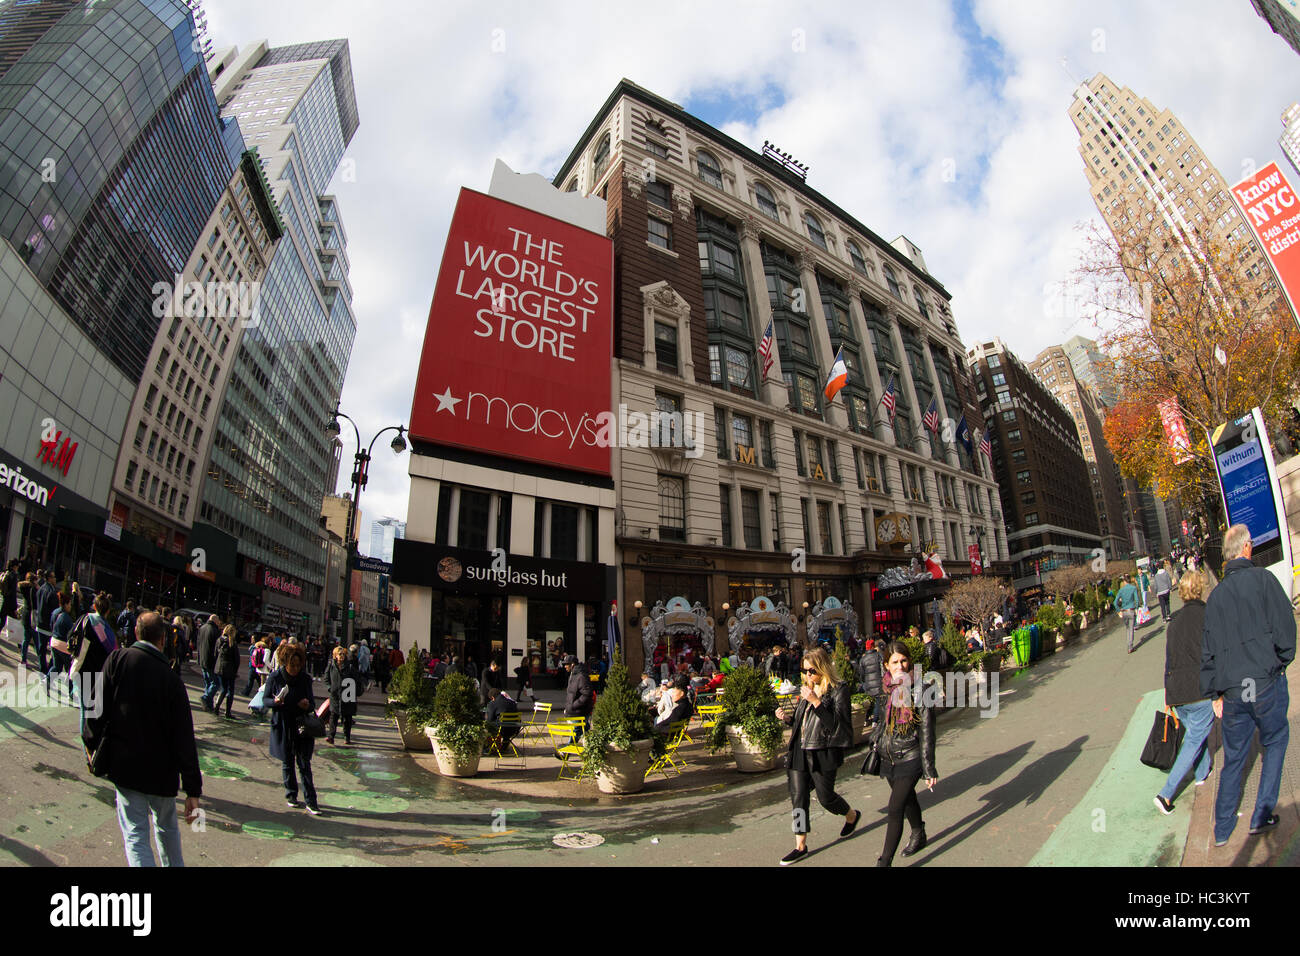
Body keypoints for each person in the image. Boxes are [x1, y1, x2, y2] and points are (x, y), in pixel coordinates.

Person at [1201, 524, 1295, 845]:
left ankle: (1222, 829)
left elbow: (1207, 651)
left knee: (1235, 757)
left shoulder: (1215, 599)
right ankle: (1261, 814)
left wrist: (1214, 693)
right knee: (1276, 741)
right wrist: (1281, 661)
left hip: (1234, 691)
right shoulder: (1264, 581)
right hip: (1266, 682)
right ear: (1246, 549)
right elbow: (1286, 630)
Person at [84, 612, 202, 866]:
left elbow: (94, 706)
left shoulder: (118, 659)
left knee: (136, 835)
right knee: (167, 829)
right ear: (162, 640)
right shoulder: (172, 680)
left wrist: (91, 742)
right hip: (162, 773)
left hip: (125, 766)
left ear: (136, 633)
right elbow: (184, 737)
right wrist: (193, 789)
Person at [777, 647, 857, 865]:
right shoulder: (807, 688)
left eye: (811, 671)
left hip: (823, 752)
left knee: (826, 798)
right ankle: (800, 845)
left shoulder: (838, 689)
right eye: (804, 671)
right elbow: (802, 723)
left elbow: (838, 726)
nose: (807, 676)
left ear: (822, 668)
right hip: (799, 752)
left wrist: (816, 701)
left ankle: (850, 815)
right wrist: (787, 718)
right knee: (798, 798)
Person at [869, 641, 937, 866]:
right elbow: (881, 719)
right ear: (886, 665)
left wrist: (929, 768)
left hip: (911, 755)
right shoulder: (886, 687)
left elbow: (927, 730)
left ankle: (884, 861)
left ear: (909, 662)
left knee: (895, 807)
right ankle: (919, 832)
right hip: (889, 755)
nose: (899, 666)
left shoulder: (922, 688)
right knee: (907, 799)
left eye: (903, 660)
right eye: (894, 662)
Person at [1154, 568, 1214, 815]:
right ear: (1199, 589)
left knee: (1195, 734)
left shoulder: (1174, 621)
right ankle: (1166, 794)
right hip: (1200, 690)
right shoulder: (1207, 615)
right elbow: (1213, 654)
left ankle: (1202, 773)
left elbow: (1170, 659)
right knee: (1193, 739)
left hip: (1179, 692)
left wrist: (1168, 696)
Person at [265, 643, 321, 815]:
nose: (296, 669)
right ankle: (291, 795)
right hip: (283, 724)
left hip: (301, 726)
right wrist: (274, 702)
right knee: (287, 761)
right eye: (292, 665)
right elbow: (265, 700)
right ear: (285, 662)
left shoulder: (305, 679)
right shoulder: (275, 678)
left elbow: (312, 704)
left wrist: (307, 706)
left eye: (298, 665)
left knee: (304, 763)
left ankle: (311, 801)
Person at [325, 645, 358, 746]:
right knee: (333, 716)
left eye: (343, 654)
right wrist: (330, 688)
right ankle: (331, 737)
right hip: (335, 695)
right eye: (340, 654)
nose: (342, 656)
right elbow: (326, 678)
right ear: (335, 656)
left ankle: (347, 737)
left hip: (347, 694)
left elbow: (355, 679)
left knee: (347, 717)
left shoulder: (350, 666)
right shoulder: (331, 666)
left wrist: (354, 691)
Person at [196, 614, 223, 711]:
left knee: (208, 682)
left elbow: (198, 643)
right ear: (216, 621)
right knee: (215, 683)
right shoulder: (215, 631)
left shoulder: (202, 628)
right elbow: (217, 648)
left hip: (202, 658)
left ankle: (208, 704)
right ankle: (206, 698)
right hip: (211, 660)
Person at [214, 625, 241, 719]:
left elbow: (215, 654)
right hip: (229, 669)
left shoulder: (219, 640)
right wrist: (235, 669)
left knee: (223, 689)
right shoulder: (232, 642)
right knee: (230, 690)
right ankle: (227, 711)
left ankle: (217, 707)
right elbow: (236, 659)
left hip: (219, 668)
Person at [1114, 575, 1140, 653]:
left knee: (1128, 628)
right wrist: (1136, 608)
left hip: (1124, 611)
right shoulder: (1133, 588)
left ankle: (1129, 645)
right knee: (1131, 628)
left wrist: (1118, 611)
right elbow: (1137, 600)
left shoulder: (1121, 590)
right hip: (1131, 609)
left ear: (1124, 581)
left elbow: (1115, 602)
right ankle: (1130, 646)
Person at [562, 655, 593, 721]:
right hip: (573, 712)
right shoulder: (573, 675)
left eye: (566, 664)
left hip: (579, 713)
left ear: (572, 664)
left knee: (578, 730)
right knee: (576, 730)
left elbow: (587, 694)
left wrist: (573, 705)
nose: (565, 666)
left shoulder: (581, 676)